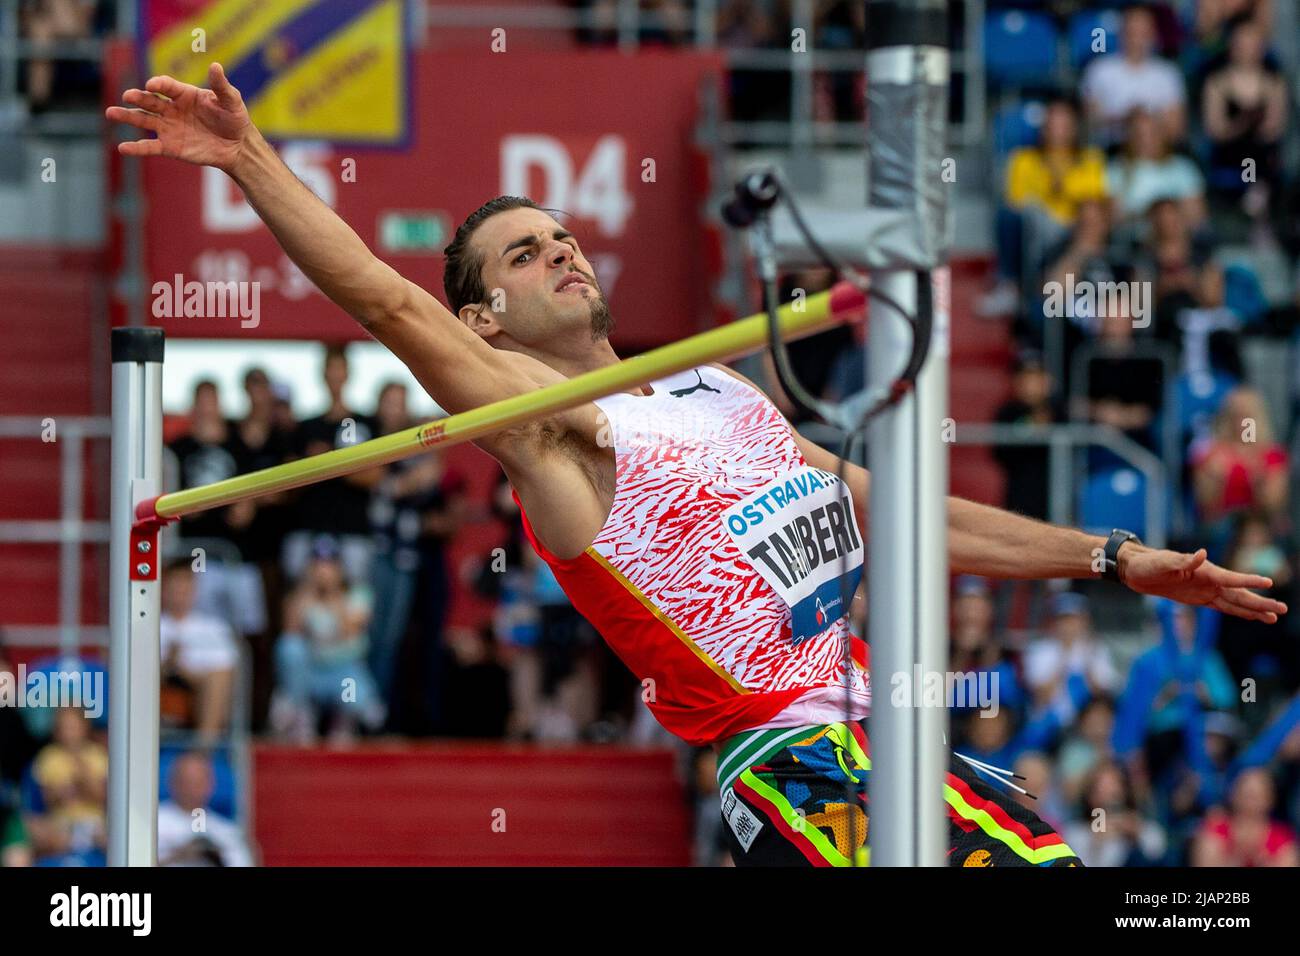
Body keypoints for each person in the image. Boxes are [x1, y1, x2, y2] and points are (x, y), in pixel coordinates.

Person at [108, 65, 1286, 868]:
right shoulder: (548, 427)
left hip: (895, 731)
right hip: (799, 763)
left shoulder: (715, 387)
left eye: (561, 233)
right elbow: (382, 299)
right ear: (485, 320)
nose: (560, 248)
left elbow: (899, 516)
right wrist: (250, 157)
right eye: (524, 253)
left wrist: (1114, 558)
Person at [1080, 4, 1187, 147]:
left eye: (1143, 31)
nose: (1137, 38)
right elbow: (1090, 123)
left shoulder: (1168, 74)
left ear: (1153, 34)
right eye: (1132, 31)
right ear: (1122, 32)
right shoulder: (1099, 70)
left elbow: (1176, 129)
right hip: (1111, 152)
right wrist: (1127, 120)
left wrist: (1145, 125)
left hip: (1157, 152)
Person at [159, 558, 239, 743]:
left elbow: (224, 669)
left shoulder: (214, 628)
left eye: (185, 587)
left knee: (218, 680)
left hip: (199, 688)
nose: (180, 593)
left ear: (194, 591)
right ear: (164, 589)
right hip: (159, 682)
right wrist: (168, 664)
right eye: (175, 586)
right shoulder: (149, 625)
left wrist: (183, 670)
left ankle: (204, 747)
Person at [157, 752, 253, 866]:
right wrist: (179, 855)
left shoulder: (226, 832)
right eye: (187, 782)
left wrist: (215, 856)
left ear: (211, 784)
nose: (192, 789)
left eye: (198, 782)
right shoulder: (154, 823)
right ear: (172, 782)